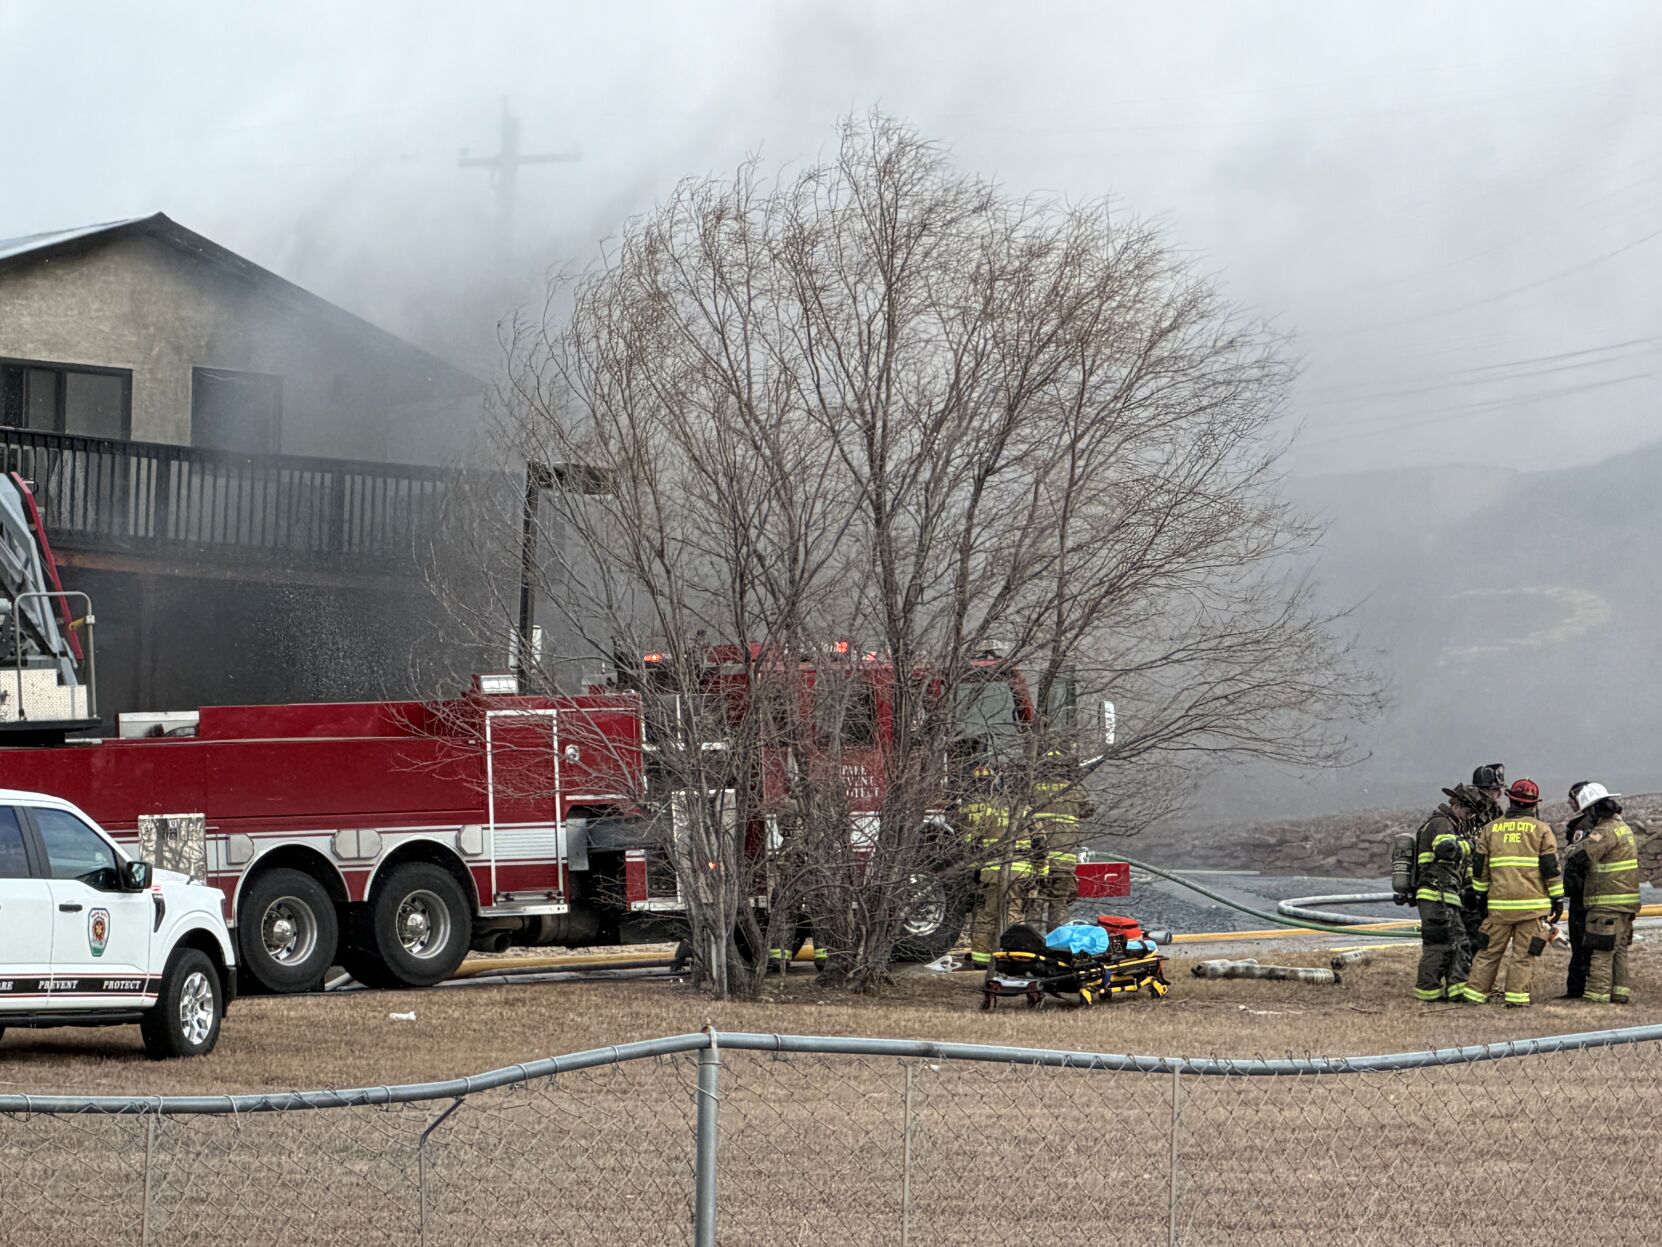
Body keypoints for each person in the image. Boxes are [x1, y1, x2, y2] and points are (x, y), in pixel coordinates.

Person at [1460, 778, 1563, 1008]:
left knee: (1487, 953)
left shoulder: (1490, 829)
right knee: (1524, 956)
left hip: (1498, 907)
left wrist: (1481, 897)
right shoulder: (1542, 830)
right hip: (1531, 907)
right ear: (1534, 804)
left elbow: (1480, 870)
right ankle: (1516, 999)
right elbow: (1550, 869)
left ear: (1510, 800)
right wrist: (1557, 899)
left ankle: (1475, 996)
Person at [1412, 784, 1481, 1002]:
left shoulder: (1448, 824)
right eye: (1468, 812)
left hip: (1442, 894)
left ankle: (1438, 991)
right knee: (1446, 944)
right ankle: (1439, 992)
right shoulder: (1441, 823)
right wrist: (1471, 844)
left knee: (1447, 944)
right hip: (1437, 894)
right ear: (1457, 805)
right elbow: (1446, 850)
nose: (1468, 817)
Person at [1575, 782, 1641, 1005]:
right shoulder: (1624, 827)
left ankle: (1597, 995)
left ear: (1595, 809)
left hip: (1607, 902)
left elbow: (1584, 854)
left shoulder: (1604, 831)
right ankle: (1620, 992)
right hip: (1627, 902)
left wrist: (1569, 851)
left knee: (1602, 950)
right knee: (1619, 949)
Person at [964, 766, 1030, 970]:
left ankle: (982, 961)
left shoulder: (987, 810)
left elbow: (972, 842)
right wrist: (1040, 874)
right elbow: (1040, 845)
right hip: (1019, 872)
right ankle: (1011, 959)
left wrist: (976, 871)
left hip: (992, 872)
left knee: (988, 916)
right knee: (1013, 916)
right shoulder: (1025, 810)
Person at [1031, 747, 1093, 930]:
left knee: (1035, 902)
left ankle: (1029, 944)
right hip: (1064, 860)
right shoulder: (1074, 790)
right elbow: (1088, 810)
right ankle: (1056, 944)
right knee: (1059, 902)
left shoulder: (1032, 789)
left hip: (1037, 859)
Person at [1559, 781, 1595, 998]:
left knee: (1579, 940)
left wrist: (1569, 889)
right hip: (1593, 891)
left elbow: (1575, 860)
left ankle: (1577, 988)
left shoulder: (1583, 826)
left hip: (1582, 894)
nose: (1569, 802)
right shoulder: (1599, 823)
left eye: (1572, 798)